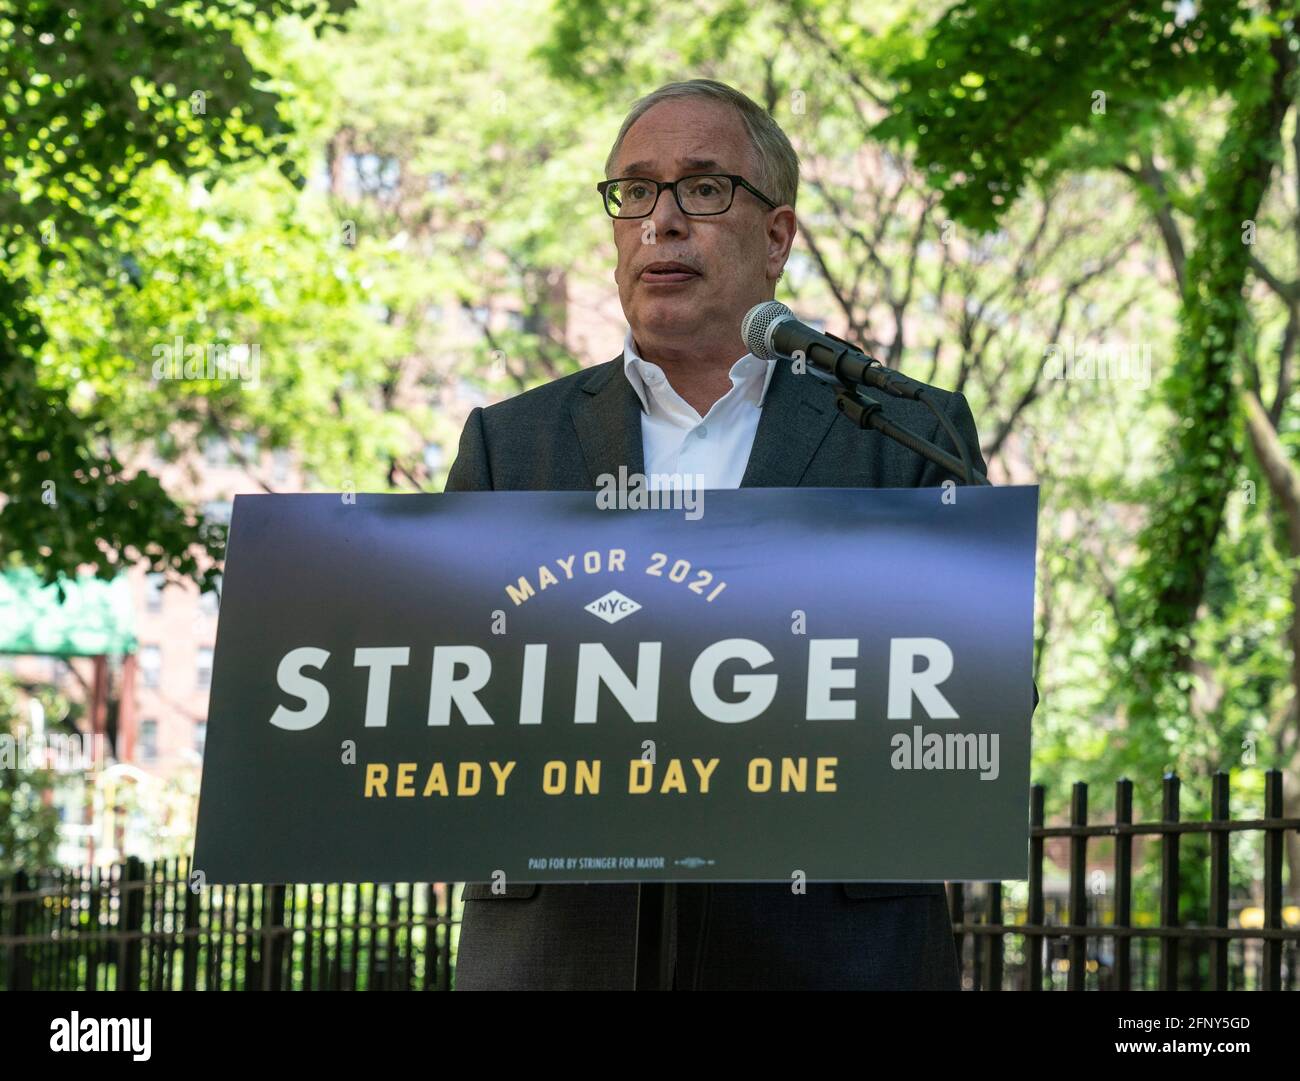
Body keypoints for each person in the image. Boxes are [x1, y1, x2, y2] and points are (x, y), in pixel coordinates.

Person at [445, 78, 987, 990]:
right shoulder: (511, 444)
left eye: (702, 188)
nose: (662, 219)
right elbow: (442, 700)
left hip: (836, 956)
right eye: (636, 191)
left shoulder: (903, 433)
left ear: (776, 236)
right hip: (565, 955)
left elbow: (974, 700)